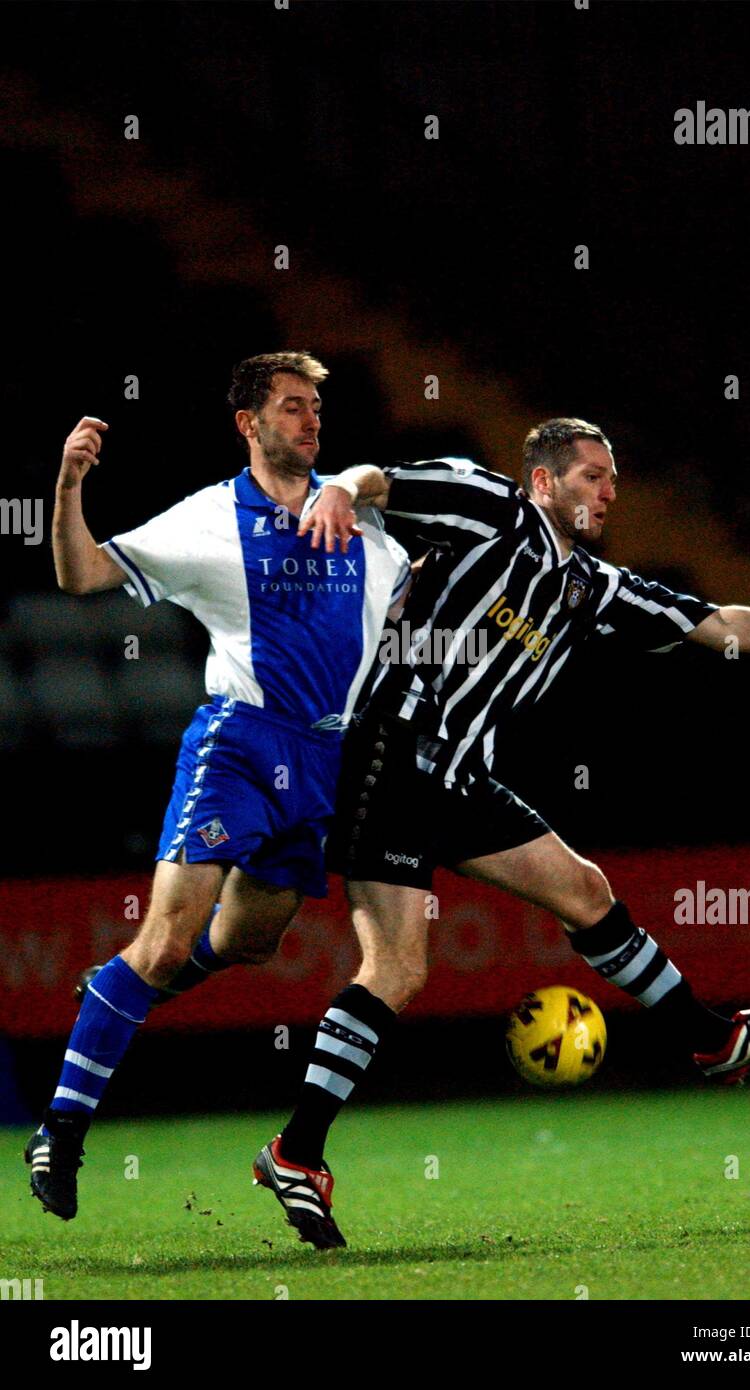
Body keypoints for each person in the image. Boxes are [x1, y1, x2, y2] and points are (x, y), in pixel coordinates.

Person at [249, 416, 750, 1248]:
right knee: (396, 965)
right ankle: (297, 1150)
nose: (609, 491)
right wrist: (337, 491)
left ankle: (713, 1041)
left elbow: (718, 625)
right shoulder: (489, 504)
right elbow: (379, 481)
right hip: (393, 751)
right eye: (591, 476)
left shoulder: (593, 587)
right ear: (544, 481)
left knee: (586, 891)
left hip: (460, 777)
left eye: (613, 479)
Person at [26, 351, 410, 1234]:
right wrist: (69, 483)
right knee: (162, 944)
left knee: (247, 941)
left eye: (316, 407)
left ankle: (116, 991)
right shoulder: (210, 518)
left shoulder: (362, 525)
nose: (311, 420)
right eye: (291, 407)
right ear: (249, 423)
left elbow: (410, 580)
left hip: (321, 761)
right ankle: (61, 1130)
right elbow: (80, 575)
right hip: (238, 744)